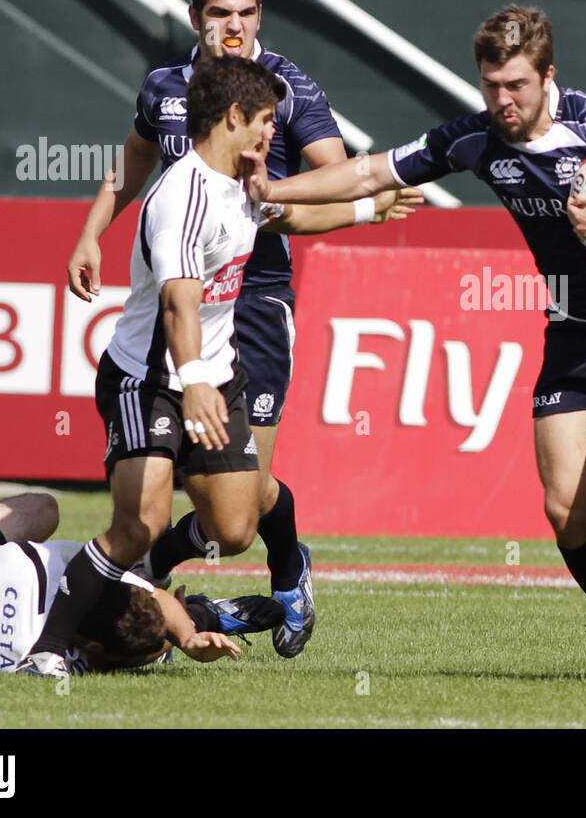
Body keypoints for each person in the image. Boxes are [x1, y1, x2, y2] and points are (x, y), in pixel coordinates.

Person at [246, 5, 586, 682]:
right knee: (566, 511)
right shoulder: (476, 138)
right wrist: (273, 190)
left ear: (547, 76)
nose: (503, 100)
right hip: (572, 329)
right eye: (491, 85)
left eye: (517, 85)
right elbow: (371, 173)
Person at [66, 0, 414, 658]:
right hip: (182, 286)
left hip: (253, 294)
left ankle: (276, 568)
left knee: (245, 503)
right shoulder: (166, 86)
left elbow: (332, 169)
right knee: (172, 504)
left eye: (248, 12)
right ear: (197, 16)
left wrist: (355, 202)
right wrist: (90, 232)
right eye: (221, 12)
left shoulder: (286, 89)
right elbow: (133, 161)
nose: (235, 25)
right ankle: (152, 592)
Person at [21, 55, 383, 678]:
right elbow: (177, 303)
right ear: (234, 117)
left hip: (217, 374)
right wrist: (192, 385)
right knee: (139, 523)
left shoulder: (244, 180)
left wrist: (372, 209)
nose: (275, 133)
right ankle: (49, 649)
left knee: (235, 527)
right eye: (266, 121)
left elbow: (293, 215)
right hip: (149, 380)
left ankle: (151, 586)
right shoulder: (181, 195)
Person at [0, 493, 279, 673]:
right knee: (137, 647)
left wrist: (183, 633)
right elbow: (152, 602)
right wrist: (189, 629)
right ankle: (202, 613)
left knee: (43, 509)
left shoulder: (61, 565)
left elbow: (149, 599)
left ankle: (198, 615)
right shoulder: (54, 664)